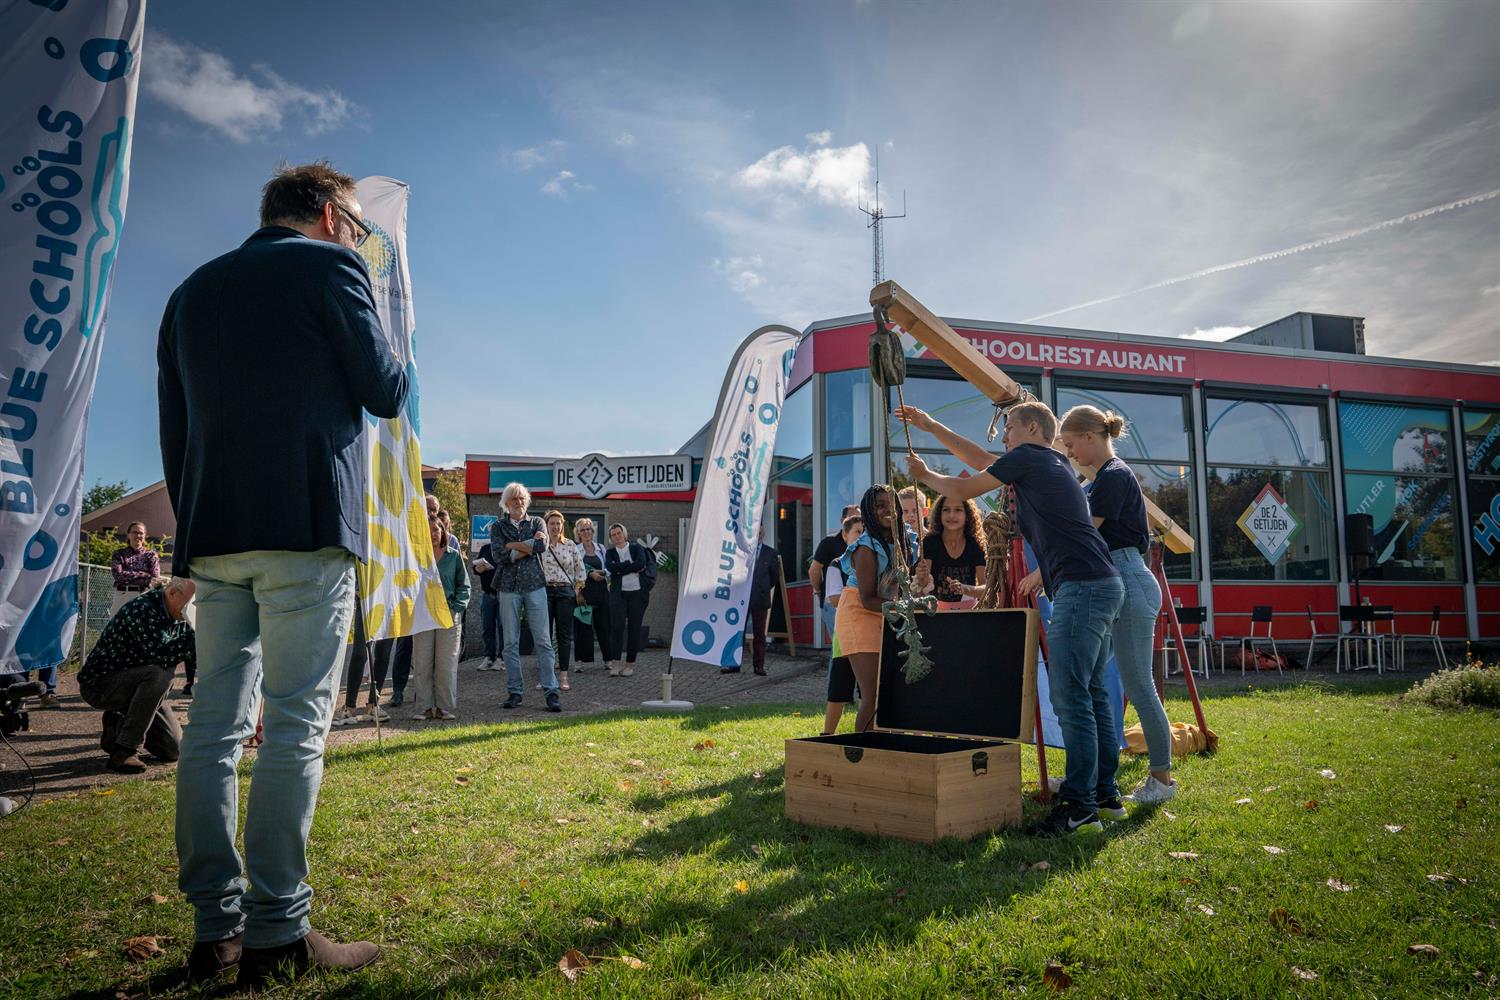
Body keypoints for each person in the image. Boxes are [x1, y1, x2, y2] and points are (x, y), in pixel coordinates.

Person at [158, 161, 406, 985]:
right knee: (295, 725)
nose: (362, 238)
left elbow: (175, 430)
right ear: (334, 217)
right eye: (360, 225)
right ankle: (276, 930)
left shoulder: (191, 290)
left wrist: (188, 542)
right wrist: (389, 311)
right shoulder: (334, 266)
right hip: (303, 524)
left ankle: (213, 930)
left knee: (214, 727)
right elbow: (385, 389)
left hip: (215, 529)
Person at [896, 400, 1125, 839]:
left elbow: (963, 488)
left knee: (1071, 696)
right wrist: (928, 421)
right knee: (1092, 692)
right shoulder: (1049, 460)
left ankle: (1080, 808)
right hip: (1100, 584)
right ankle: (1104, 795)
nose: (1003, 437)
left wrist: (924, 476)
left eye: (1010, 428)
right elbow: (980, 461)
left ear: (1033, 427)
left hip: (1082, 587)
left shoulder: (1031, 458)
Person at [1059, 404, 1177, 805]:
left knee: (1138, 685)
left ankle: (1161, 781)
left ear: (1091, 437)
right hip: (1117, 579)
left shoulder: (1113, 476)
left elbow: (1084, 534)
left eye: (1072, 444)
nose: (1071, 452)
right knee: (1094, 683)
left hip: (1127, 578)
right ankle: (1089, 775)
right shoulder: (1100, 481)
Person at [78, 578, 197, 774]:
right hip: (100, 685)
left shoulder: (180, 617)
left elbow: (191, 652)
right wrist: (197, 636)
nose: (192, 608)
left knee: (174, 750)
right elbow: (159, 653)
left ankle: (116, 726)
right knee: (161, 675)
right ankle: (124, 750)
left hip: (140, 687)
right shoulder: (142, 608)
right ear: (173, 593)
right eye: (190, 601)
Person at [835, 485, 911, 733]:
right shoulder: (866, 547)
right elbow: (868, 599)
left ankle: (888, 745)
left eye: (892, 505)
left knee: (893, 690)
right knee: (873, 692)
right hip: (860, 611)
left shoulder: (906, 542)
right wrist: (906, 609)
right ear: (869, 510)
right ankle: (865, 751)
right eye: (880, 505)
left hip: (889, 610)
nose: (887, 510)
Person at [489, 484, 561, 711]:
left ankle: (551, 691)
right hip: (508, 587)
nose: (518, 502)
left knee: (543, 640)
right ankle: (515, 691)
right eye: (513, 499)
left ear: (526, 501)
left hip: (534, 585)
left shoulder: (538, 522)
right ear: (506, 503)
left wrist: (513, 546)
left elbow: (542, 545)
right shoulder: (498, 526)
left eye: (521, 498)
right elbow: (498, 554)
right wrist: (528, 546)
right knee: (510, 642)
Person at [409, 512, 470, 720]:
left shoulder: (453, 555)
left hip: (448, 616)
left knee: (446, 664)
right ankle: (424, 707)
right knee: (422, 663)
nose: (433, 534)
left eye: (437, 529)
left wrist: (455, 607)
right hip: (422, 615)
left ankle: (443, 707)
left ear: (443, 531)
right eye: (429, 530)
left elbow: (464, 585)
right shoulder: (416, 556)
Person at [820, 513, 862, 735]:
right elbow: (835, 599)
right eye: (857, 532)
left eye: (864, 532)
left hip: (870, 634)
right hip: (845, 635)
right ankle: (828, 734)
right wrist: (866, 598)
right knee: (839, 688)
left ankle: (868, 734)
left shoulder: (877, 561)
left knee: (868, 691)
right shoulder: (837, 564)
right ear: (845, 536)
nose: (861, 536)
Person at [539, 511, 585, 691]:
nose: (556, 527)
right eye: (552, 523)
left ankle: (564, 676)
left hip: (565, 592)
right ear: (546, 525)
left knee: (564, 635)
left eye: (558, 523)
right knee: (545, 636)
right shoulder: (540, 545)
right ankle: (546, 676)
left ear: (562, 525)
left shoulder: (570, 545)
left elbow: (580, 570)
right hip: (545, 591)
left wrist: (576, 590)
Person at [918, 494, 987, 609]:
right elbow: (923, 585)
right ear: (939, 514)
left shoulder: (976, 544)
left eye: (958, 510)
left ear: (968, 515)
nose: (951, 515)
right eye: (946, 510)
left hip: (968, 612)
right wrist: (921, 577)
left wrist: (965, 589)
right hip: (935, 612)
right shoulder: (930, 542)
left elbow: (986, 588)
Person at [331, 593, 391, 726]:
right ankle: (349, 707)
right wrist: (357, 588)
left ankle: (373, 705)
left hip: (390, 598)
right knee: (360, 653)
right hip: (366, 597)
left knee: (383, 654)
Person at [605, 523, 653, 676]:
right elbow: (610, 568)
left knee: (634, 629)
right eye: (613, 535)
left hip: (637, 594)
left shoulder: (636, 548)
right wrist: (629, 565)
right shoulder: (610, 552)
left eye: (619, 533)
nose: (617, 536)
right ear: (611, 538)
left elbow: (641, 563)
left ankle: (630, 665)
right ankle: (616, 664)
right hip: (619, 595)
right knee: (617, 628)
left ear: (624, 534)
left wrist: (620, 569)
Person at [809, 503, 861, 639]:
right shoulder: (829, 542)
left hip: (856, 603)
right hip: (834, 603)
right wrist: (820, 591)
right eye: (853, 517)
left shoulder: (864, 544)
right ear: (842, 521)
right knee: (839, 648)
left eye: (860, 518)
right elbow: (814, 571)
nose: (857, 522)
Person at [736, 528, 780, 676]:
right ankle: (733, 664)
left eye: (761, 533)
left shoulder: (770, 553)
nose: (758, 536)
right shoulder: (741, 551)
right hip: (741, 598)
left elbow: (774, 578)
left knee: (759, 634)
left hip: (760, 598)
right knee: (737, 633)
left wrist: (763, 588)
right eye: (756, 533)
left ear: (764, 534)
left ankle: (758, 666)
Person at [572, 518, 614, 671]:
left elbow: (609, 568)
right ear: (578, 533)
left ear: (593, 531)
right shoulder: (575, 549)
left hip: (601, 592)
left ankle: (608, 660)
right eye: (583, 530)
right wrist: (580, 591)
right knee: (582, 628)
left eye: (589, 529)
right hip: (584, 592)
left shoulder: (601, 548)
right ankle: (579, 662)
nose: (586, 532)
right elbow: (574, 571)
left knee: (604, 627)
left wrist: (601, 572)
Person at [110, 521, 162, 615]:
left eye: (141, 533)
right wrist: (145, 575)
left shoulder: (151, 555)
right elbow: (118, 576)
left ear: (145, 535)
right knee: (118, 627)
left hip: (143, 596)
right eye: (134, 532)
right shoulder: (119, 554)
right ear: (128, 535)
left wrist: (128, 574)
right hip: (123, 595)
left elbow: (155, 577)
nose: (138, 535)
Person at [472, 540, 501, 671]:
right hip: (487, 593)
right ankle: (489, 657)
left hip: (503, 594)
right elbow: (475, 568)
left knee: (503, 627)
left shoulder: (506, 547)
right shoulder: (485, 548)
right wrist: (478, 568)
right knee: (487, 626)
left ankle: (502, 658)